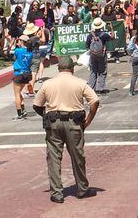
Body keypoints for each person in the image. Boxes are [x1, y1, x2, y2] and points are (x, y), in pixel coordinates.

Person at [33, 55, 100, 202]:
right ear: (72, 68)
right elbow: (94, 101)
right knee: (78, 157)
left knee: (54, 158)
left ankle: (57, 193)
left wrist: (46, 115)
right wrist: (88, 120)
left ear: (58, 69)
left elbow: (37, 105)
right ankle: (82, 189)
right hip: (74, 123)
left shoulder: (48, 84)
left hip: (54, 124)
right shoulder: (80, 83)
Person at [12, 34, 34, 119]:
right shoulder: (30, 52)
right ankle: (23, 110)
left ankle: (19, 113)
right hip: (27, 74)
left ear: (21, 41)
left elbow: (15, 58)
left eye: (19, 40)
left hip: (19, 74)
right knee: (20, 92)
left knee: (17, 94)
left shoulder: (18, 51)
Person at [86, 17, 110, 93]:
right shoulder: (104, 35)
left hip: (93, 55)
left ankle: (91, 87)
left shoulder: (90, 35)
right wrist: (111, 28)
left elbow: (87, 44)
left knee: (93, 71)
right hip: (101, 55)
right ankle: (100, 88)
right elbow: (112, 37)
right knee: (102, 71)